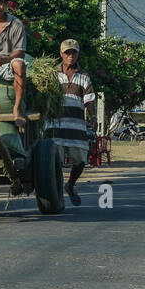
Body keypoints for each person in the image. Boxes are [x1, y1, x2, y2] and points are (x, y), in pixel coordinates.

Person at [47, 39, 96, 206]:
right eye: (67, 52)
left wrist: (93, 118)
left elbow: (89, 100)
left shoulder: (84, 76)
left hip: (76, 125)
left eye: (74, 52)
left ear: (77, 54)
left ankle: (70, 184)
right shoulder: (51, 74)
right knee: (54, 160)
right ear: (61, 54)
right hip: (54, 125)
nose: (71, 55)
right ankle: (55, 190)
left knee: (81, 159)